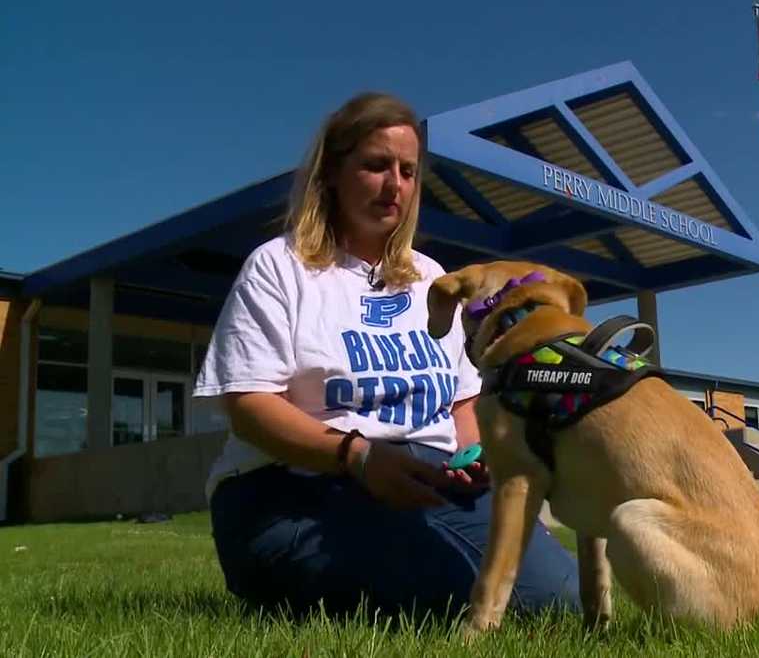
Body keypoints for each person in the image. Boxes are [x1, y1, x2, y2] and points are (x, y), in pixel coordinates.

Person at [194, 92, 580, 621]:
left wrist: (478, 458)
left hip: (430, 478)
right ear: (331, 172)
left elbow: (462, 403)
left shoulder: (431, 278)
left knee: (561, 599)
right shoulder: (279, 268)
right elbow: (247, 403)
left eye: (408, 170)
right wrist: (356, 456)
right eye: (376, 165)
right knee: (491, 601)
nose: (395, 184)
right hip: (294, 488)